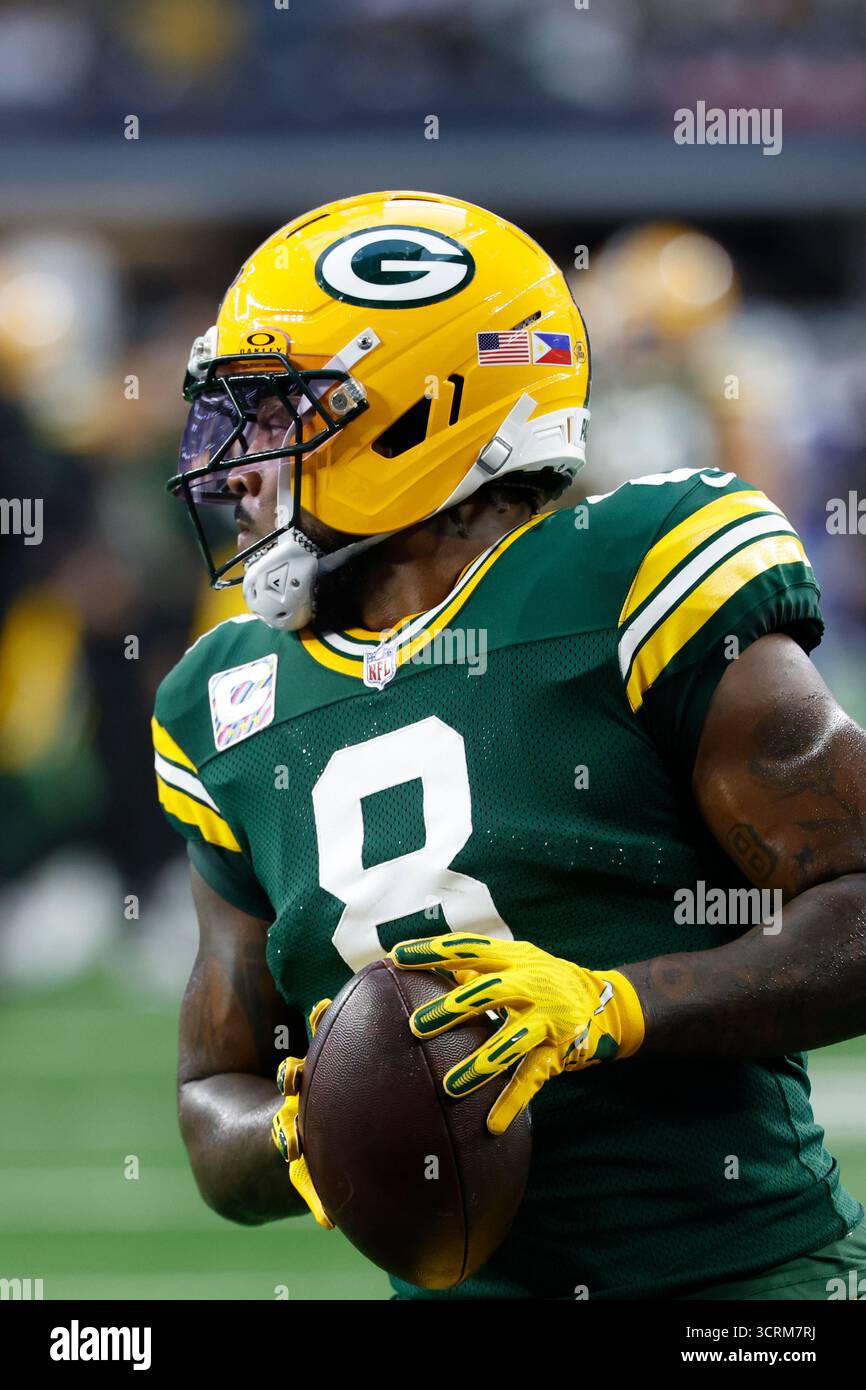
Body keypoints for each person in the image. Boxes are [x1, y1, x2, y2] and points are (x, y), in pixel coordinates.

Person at [153, 190, 866, 1299]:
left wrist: (607, 1009)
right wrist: (309, 1130)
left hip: (742, 1285)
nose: (234, 462)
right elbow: (213, 1100)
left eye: (277, 412)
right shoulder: (220, 700)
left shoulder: (630, 575)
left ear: (413, 414)